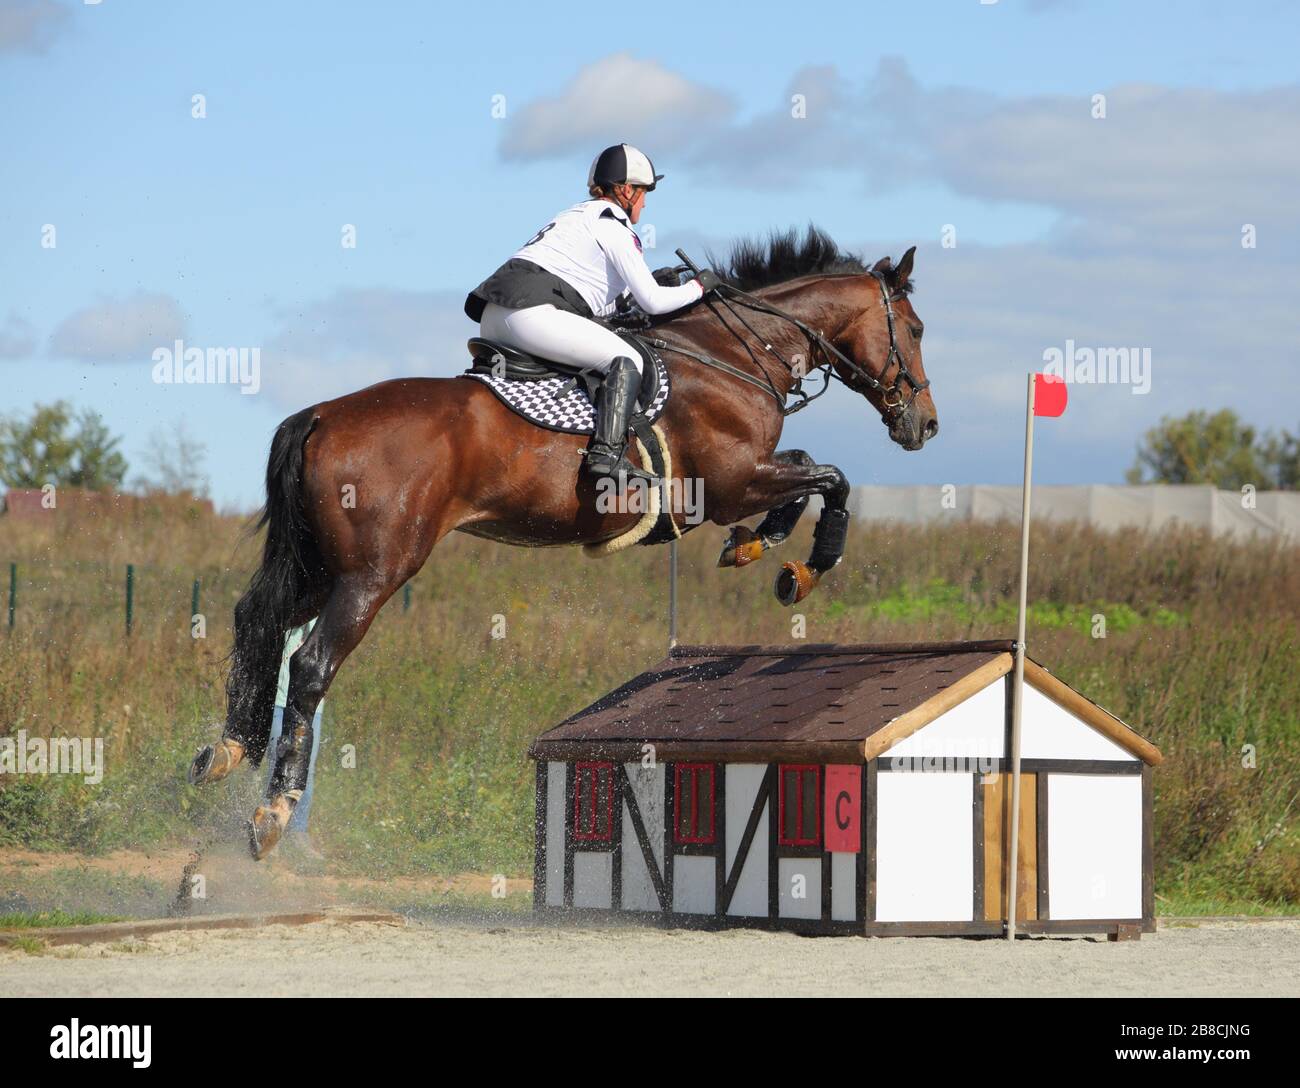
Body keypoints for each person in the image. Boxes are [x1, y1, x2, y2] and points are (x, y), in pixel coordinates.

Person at [465, 143, 720, 483]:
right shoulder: (613, 226)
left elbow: (598, 298)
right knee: (627, 360)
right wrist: (698, 287)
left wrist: (643, 287)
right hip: (531, 315)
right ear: (625, 190)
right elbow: (654, 303)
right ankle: (606, 455)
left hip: (493, 318)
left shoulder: (573, 216)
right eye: (644, 192)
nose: (645, 202)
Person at [265, 620, 324, 859]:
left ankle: (298, 832)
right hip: (279, 702)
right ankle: (271, 831)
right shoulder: (288, 611)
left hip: (311, 707)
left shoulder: (328, 614)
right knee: (277, 765)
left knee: (307, 772)